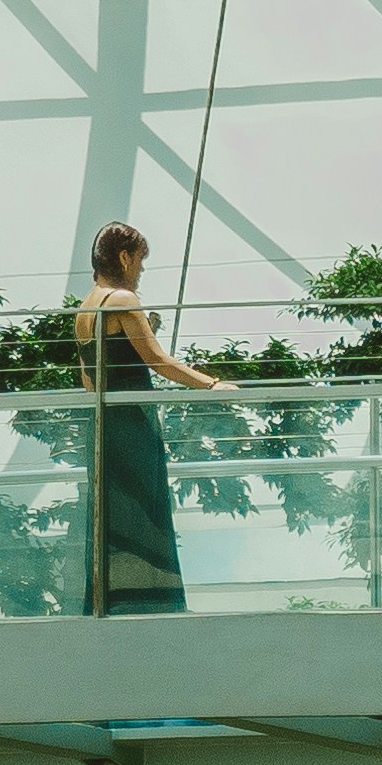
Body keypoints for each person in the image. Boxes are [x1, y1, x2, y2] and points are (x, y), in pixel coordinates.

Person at [76, 220, 235, 614]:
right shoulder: (121, 299)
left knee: (112, 512)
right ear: (124, 257)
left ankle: (111, 603)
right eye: (140, 260)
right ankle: (154, 603)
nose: (142, 270)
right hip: (133, 424)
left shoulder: (86, 306)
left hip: (105, 425)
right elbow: (158, 360)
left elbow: (88, 379)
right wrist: (212, 384)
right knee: (147, 509)